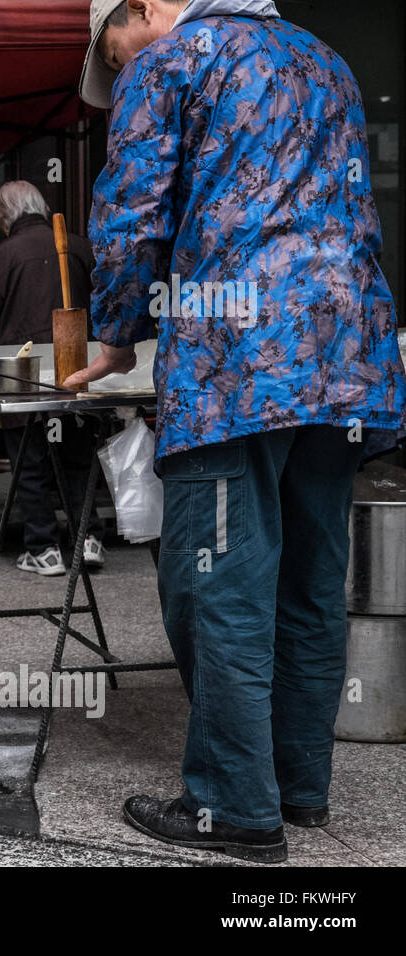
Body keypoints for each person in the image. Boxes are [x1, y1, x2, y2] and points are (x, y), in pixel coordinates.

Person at [68, 0, 406, 863]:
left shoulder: (171, 60)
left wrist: (113, 338)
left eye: (115, 49)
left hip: (239, 366)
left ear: (144, 10)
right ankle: (297, 787)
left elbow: (131, 215)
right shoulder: (325, 58)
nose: (122, 68)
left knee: (217, 581)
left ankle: (231, 806)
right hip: (349, 359)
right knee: (308, 580)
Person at [0, 181, 104, 575]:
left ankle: (44, 548)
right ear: (41, 207)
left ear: (3, 217)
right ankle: (89, 540)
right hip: (80, 367)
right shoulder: (79, 248)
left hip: (23, 376)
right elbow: (106, 303)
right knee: (79, 460)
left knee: (30, 465)